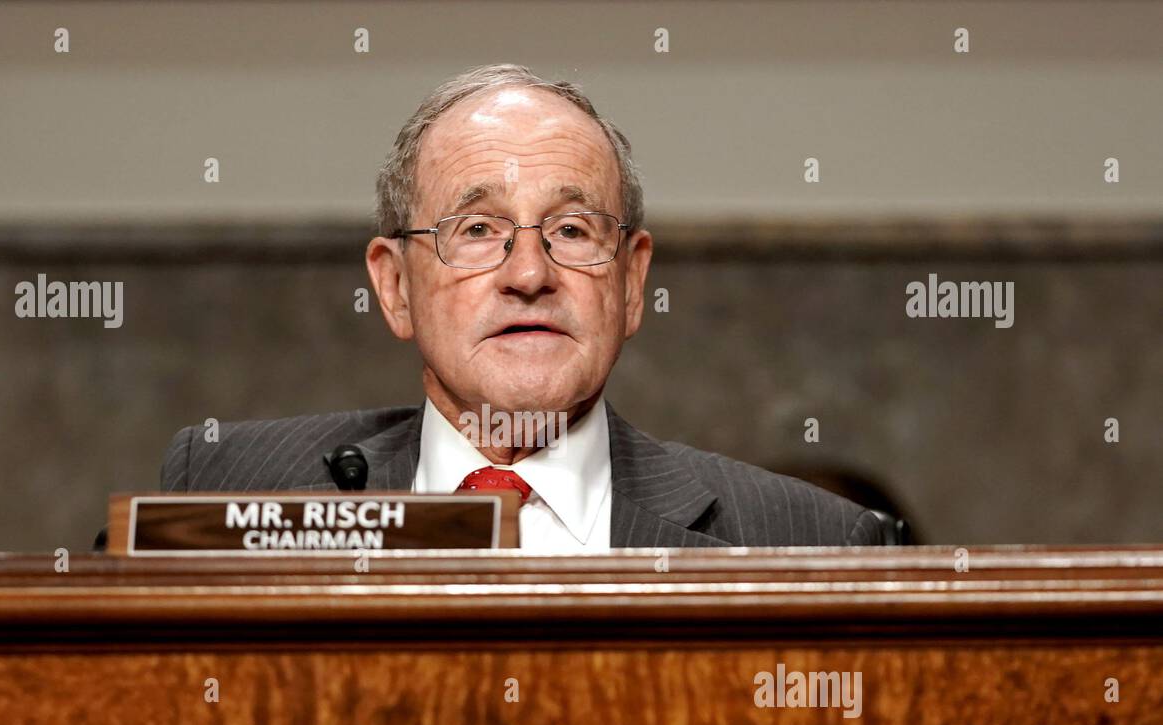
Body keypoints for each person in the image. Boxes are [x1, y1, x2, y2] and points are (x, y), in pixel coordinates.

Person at [160, 64, 884, 550]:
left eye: (572, 230)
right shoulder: (228, 488)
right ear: (394, 286)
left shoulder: (806, 538)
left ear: (632, 283)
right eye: (477, 231)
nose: (529, 273)